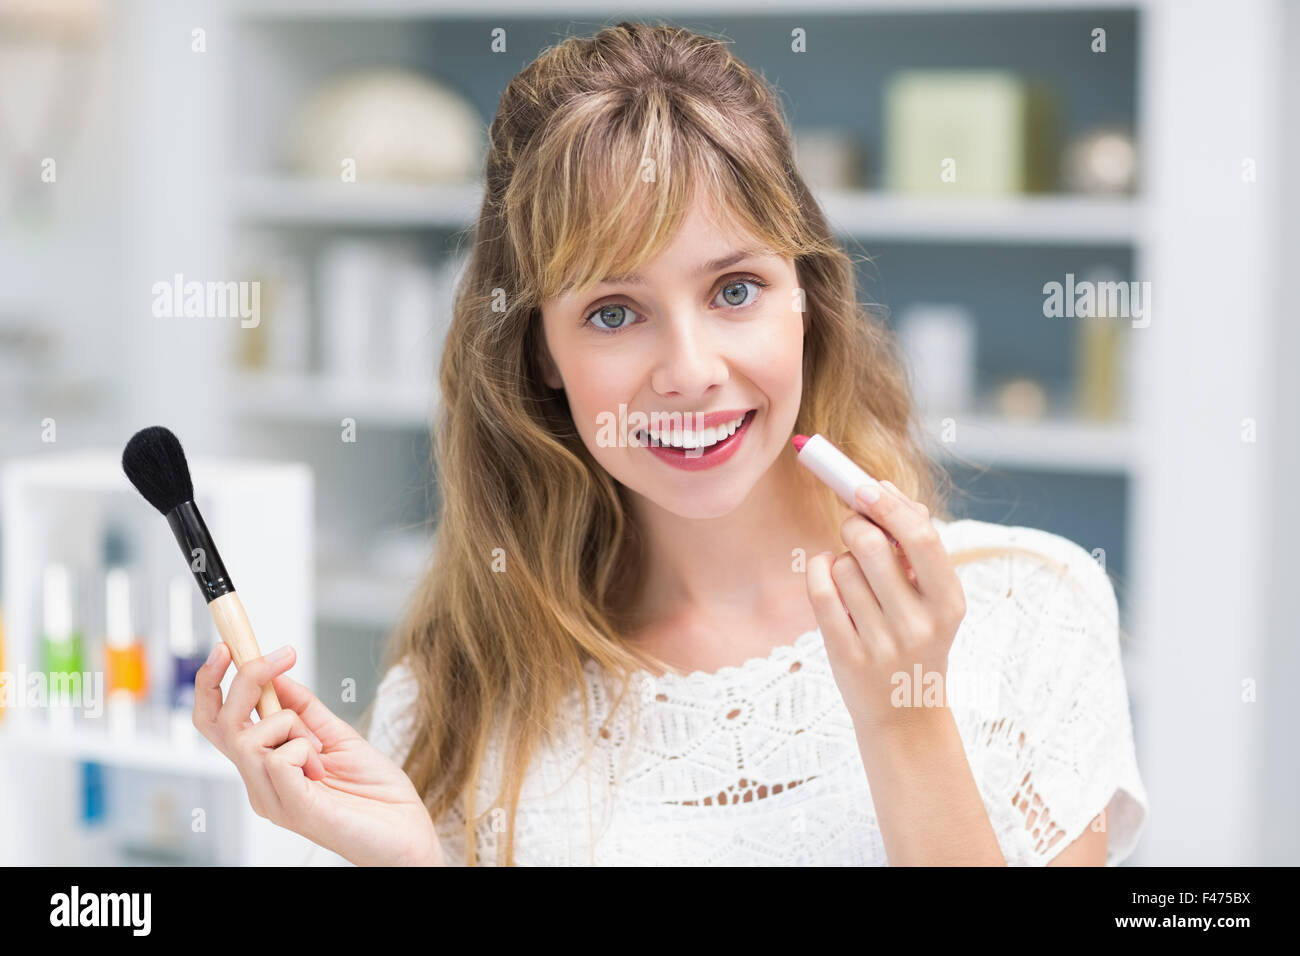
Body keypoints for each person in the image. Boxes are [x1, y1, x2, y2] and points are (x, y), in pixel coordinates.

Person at [193, 21, 1148, 867]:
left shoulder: (1033, 613)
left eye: (735, 290)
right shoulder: (449, 709)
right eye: (615, 312)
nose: (691, 370)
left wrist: (904, 719)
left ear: (805, 301)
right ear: (543, 357)